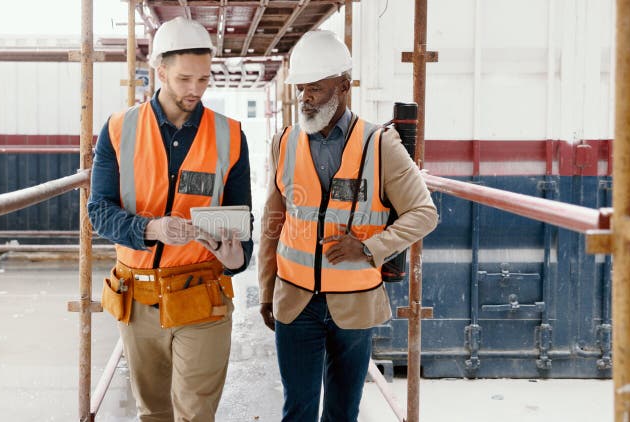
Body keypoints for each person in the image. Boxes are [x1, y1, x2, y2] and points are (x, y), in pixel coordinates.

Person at [258, 30, 438, 421]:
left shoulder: (380, 144)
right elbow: (273, 222)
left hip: (354, 302)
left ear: (343, 86)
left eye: (316, 88)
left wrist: (370, 249)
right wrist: (265, 289)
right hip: (294, 301)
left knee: (343, 411)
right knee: (298, 409)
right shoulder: (283, 142)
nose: (305, 96)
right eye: (301, 88)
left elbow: (424, 212)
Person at [87, 16, 252, 422]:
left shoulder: (231, 136)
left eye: (203, 79)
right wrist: (149, 228)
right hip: (138, 296)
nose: (195, 89)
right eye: (184, 79)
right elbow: (98, 212)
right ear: (160, 71)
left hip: (202, 295)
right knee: (154, 413)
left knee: (195, 414)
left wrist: (236, 258)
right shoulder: (117, 130)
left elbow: (242, 225)